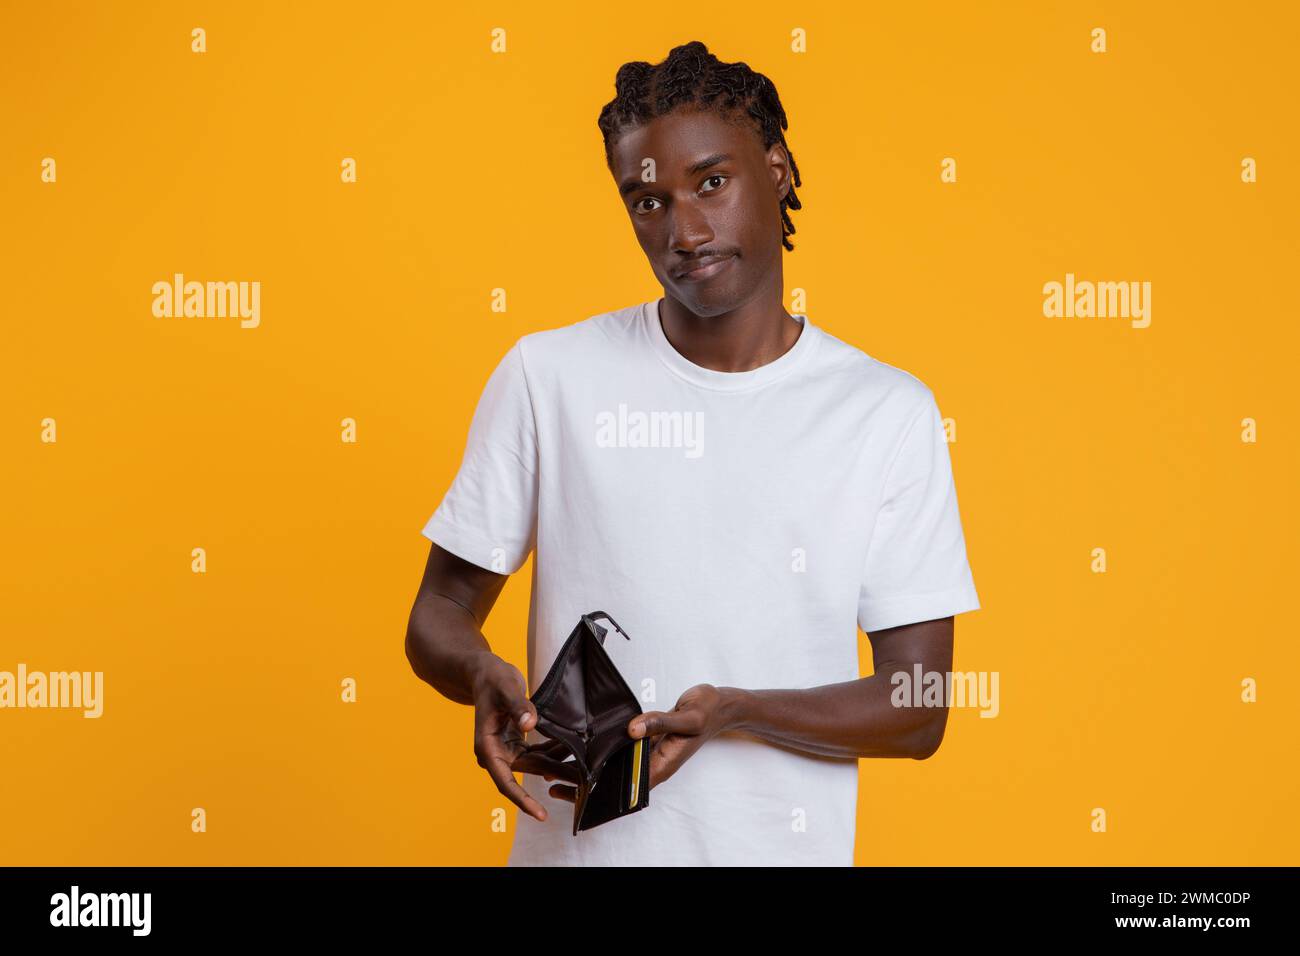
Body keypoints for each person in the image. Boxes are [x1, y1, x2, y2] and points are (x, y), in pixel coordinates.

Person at [405, 40, 980, 866]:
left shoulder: (884, 412)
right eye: (647, 201)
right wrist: (480, 672)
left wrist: (736, 712)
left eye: (712, 181)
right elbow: (437, 616)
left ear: (776, 170)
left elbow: (918, 708)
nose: (684, 229)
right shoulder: (549, 375)